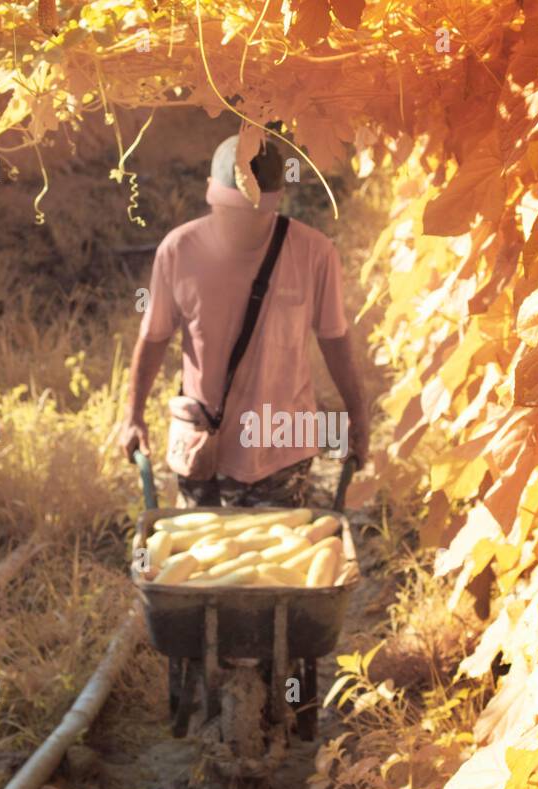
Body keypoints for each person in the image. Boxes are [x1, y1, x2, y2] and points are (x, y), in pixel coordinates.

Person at [118, 132, 369, 508]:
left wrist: (358, 416)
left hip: (282, 445)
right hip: (205, 444)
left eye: (252, 213)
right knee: (201, 560)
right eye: (231, 210)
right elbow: (154, 336)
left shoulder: (315, 253)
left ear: (276, 202)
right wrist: (133, 415)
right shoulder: (179, 251)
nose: (240, 224)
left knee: (275, 563)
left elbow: (334, 339)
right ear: (209, 192)